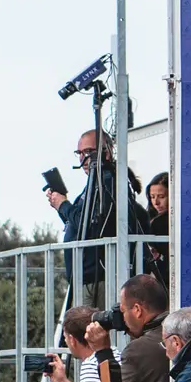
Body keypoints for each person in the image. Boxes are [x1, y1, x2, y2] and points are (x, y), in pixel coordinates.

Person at [46, 130, 123, 305]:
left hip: (97, 277)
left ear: (106, 152)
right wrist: (60, 207)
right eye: (79, 153)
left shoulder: (107, 181)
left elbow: (89, 224)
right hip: (85, 277)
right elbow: (79, 224)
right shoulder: (93, 183)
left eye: (88, 152)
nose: (83, 158)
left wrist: (64, 205)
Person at [115, 274, 171, 382]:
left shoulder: (137, 350)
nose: (123, 318)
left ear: (137, 310)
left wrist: (102, 350)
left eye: (123, 311)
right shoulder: (185, 331)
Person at [143, 173, 170, 286]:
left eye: (161, 196)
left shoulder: (161, 222)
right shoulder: (149, 218)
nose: (156, 202)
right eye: (152, 197)